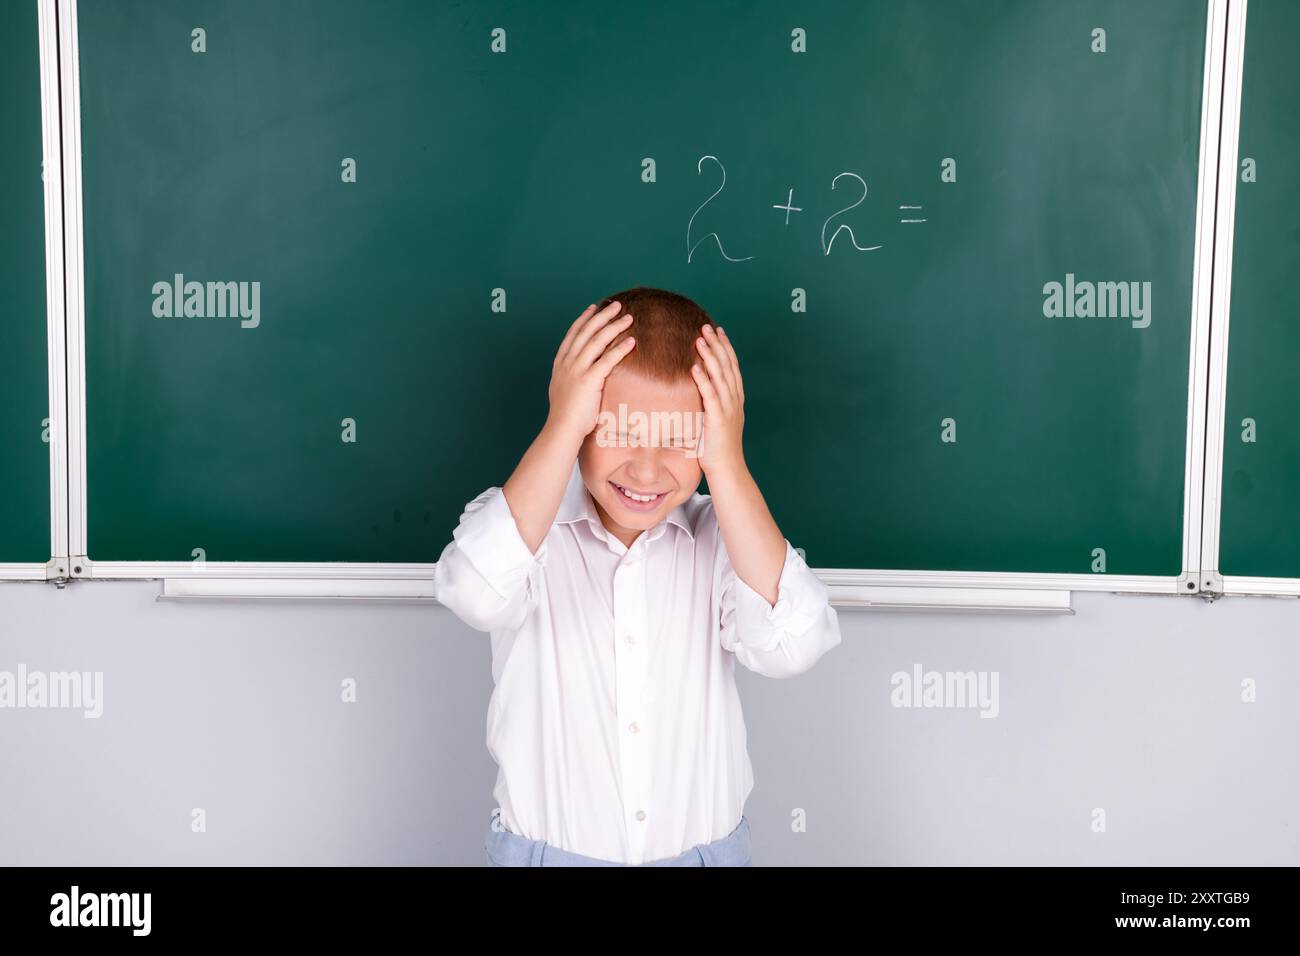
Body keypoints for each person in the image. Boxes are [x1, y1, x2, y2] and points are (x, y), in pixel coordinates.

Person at [434, 286, 842, 866]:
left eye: (680, 441)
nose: (647, 470)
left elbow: (791, 646)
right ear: (582, 427)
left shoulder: (723, 540)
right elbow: (473, 592)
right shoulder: (528, 530)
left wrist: (726, 460)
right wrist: (561, 425)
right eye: (621, 431)